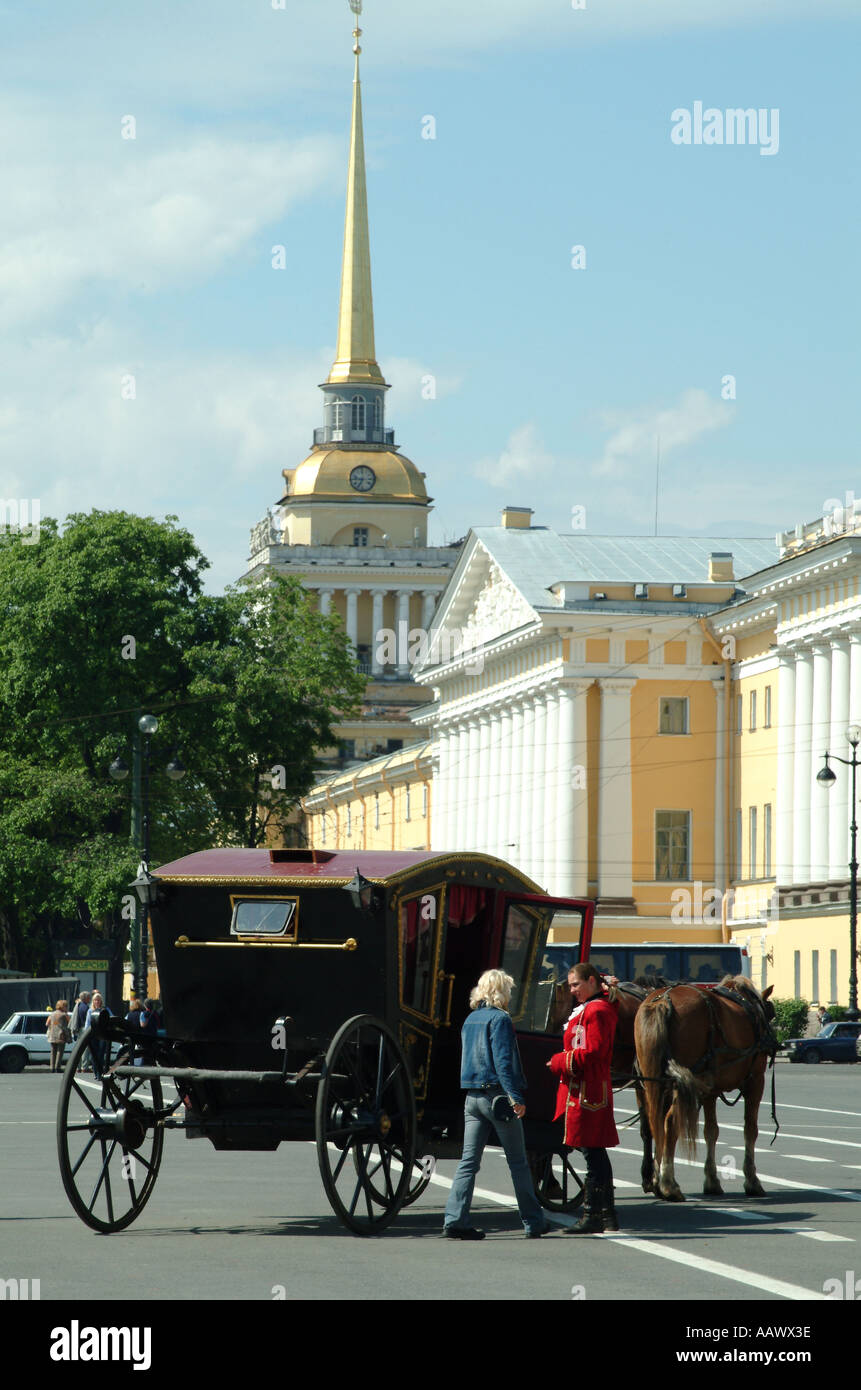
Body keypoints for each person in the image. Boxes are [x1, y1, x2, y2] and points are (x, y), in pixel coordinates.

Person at [443, 969, 552, 1240]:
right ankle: (533, 1221)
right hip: (497, 1098)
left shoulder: (471, 1019)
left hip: (472, 1098)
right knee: (518, 1161)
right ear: (501, 991)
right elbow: (503, 1062)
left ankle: (455, 1219)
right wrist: (516, 1096)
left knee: (468, 1162)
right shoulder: (500, 1019)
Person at [548, 962, 620, 1235]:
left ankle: (593, 1215)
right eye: (570, 986)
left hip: (588, 1091)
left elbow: (593, 1053)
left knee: (592, 1153)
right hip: (586, 1089)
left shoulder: (597, 1010)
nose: (572, 990)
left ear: (591, 981)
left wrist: (558, 1061)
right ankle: (608, 1214)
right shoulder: (593, 1008)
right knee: (595, 1152)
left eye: (576, 984)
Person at [85, 991, 111, 1081]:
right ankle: (96, 1072)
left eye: (98, 1000)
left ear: (101, 1001)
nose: (97, 1002)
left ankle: (100, 1073)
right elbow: (87, 1024)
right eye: (95, 1000)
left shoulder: (105, 1009)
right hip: (93, 1035)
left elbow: (111, 1018)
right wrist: (86, 1035)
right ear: (93, 1001)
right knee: (94, 1055)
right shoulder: (90, 1011)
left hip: (103, 1035)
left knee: (100, 1054)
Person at [45, 1000, 71, 1072]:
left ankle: (52, 1067)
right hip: (61, 1035)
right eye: (66, 1006)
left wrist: (54, 1025)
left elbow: (47, 1024)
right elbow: (69, 1024)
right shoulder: (64, 1015)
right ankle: (57, 1067)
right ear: (63, 1007)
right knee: (60, 1052)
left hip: (52, 1035)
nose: (67, 1008)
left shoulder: (52, 1014)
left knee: (53, 1052)